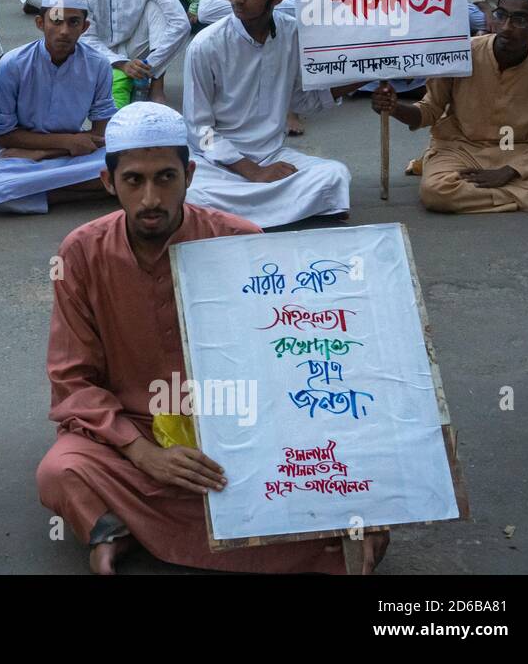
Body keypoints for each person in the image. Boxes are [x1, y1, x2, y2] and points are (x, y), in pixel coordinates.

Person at [36, 100, 383, 575]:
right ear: (108, 182)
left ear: (190, 176)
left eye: (166, 178)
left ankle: (121, 528)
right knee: (61, 470)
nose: (151, 199)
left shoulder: (240, 239)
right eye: (133, 180)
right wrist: (143, 454)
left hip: (232, 429)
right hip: (130, 433)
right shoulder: (80, 253)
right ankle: (289, 545)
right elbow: (72, 380)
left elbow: (285, 360)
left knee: (329, 473)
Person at [183, 0, 362, 227]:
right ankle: (290, 211)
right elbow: (199, 130)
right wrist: (252, 172)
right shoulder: (206, 45)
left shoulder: (293, 34)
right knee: (193, 191)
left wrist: (367, 75)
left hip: (273, 155)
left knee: (335, 175)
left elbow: (302, 101)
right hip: (218, 164)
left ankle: (238, 219)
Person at [373, 0, 528, 212]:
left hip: (517, 149)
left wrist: (509, 172)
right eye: (501, 15)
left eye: (520, 20)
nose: (506, 27)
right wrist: (394, 107)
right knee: (436, 192)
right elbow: (430, 111)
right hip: (460, 148)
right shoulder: (462, 53)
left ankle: (496, 193)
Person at [0, 0, 117, 214]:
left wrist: (53, 150)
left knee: (125, 164)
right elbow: (3, 136)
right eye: (56, 21)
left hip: (70, 157)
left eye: (73, 23)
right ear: (40, 23)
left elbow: (100, 135)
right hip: (22, 162)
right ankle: (99, 191)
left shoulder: (98, 65)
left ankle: (44, 195)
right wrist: (68, 143)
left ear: (84, 27)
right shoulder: (13, 65)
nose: (64, 31)